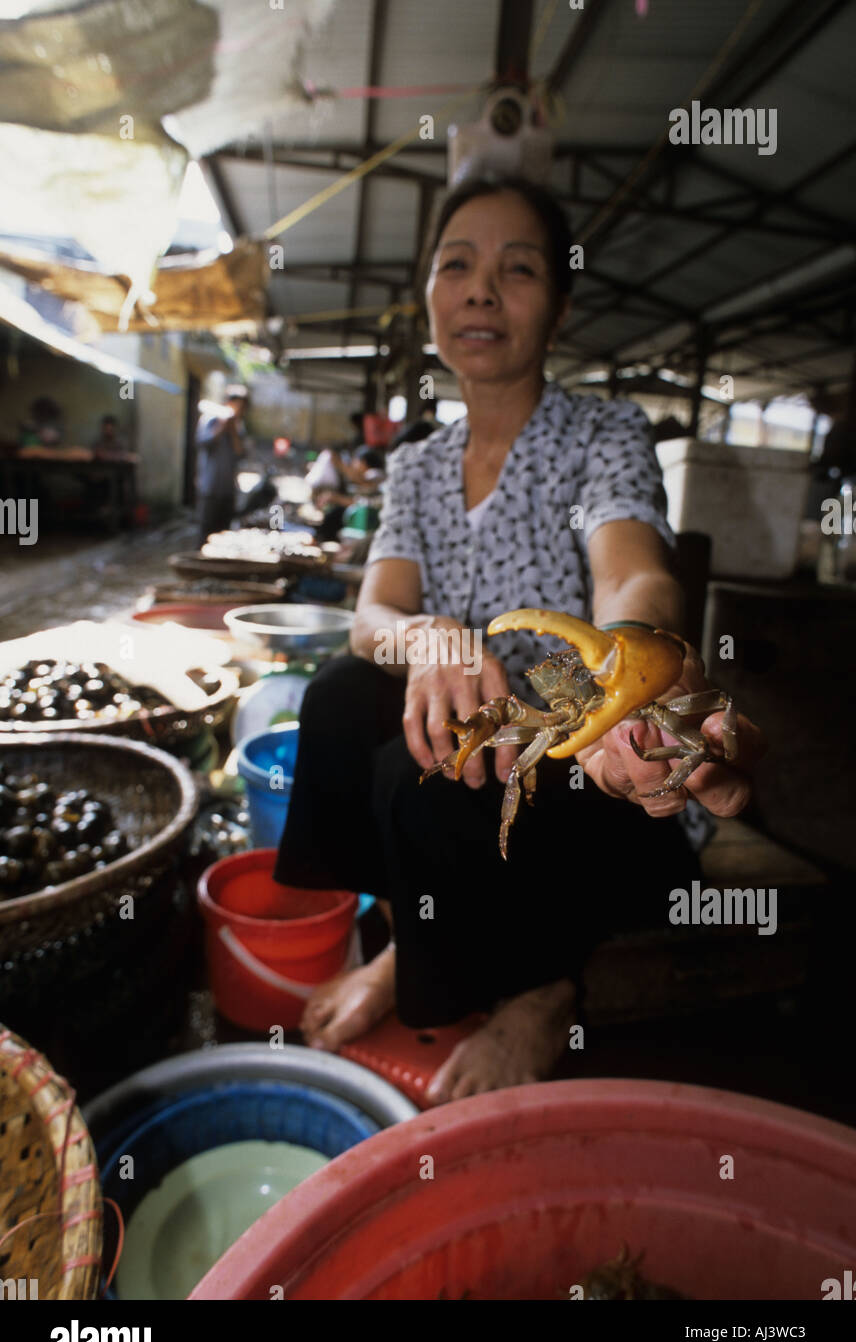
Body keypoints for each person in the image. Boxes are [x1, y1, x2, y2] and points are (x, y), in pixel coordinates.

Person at [274, 175, 763, 1104]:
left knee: (423, 771)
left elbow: (631, 570)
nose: (482, 292)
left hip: (588, 786)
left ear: (561, 305)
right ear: (430, 294)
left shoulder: (603, 434)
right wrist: (429, 640)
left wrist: (632, 663)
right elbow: (374, 615)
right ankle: (411, 941)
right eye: (457, 266)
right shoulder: (417, 464)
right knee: (337, 695)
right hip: (479, 764)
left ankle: (545, 985)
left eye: (519, 269)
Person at [194, 386, 249, 546]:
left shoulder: (239, 427)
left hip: (228, 489)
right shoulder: (210, 420)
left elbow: (241, 454)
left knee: (223, 534)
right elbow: (203, 443)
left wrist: (232, 431)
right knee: (206, 532)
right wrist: (222, 425)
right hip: (210, 488)